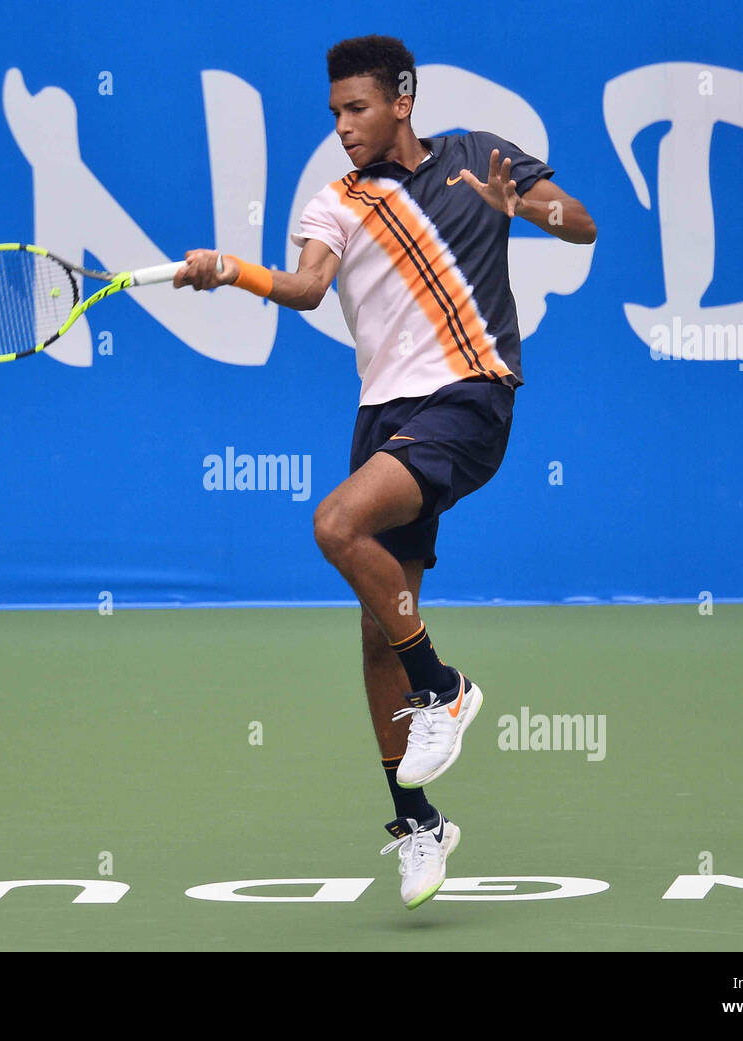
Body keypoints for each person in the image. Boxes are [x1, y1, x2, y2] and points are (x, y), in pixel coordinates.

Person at [174, 34, 596, 909]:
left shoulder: (484, 156)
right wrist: (231, 270)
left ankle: (443, 685)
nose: (343, 127)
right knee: (375, 632)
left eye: (357, 109)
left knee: (335, 525)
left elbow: (582, 223)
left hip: (470, 396)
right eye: (333, 113)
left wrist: (522, 209)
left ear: (402, 100)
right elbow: (306, 287)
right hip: (386, 415)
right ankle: (417, 820)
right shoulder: (337, 201)